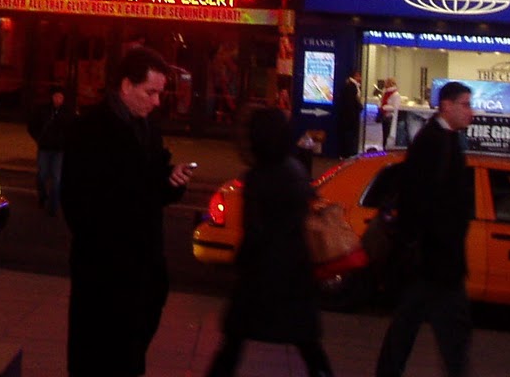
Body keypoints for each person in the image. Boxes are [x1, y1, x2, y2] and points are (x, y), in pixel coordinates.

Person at [61, 46, 195, 377]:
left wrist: (173, 181)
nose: (156, 101)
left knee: (131, 354)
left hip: (144, 267)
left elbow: (156, 184)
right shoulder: (91, 129)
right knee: (98, 355)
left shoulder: (148, 128)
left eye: (159, 93)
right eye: (150, 92)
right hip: (105, 268)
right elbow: (77, 201)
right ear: (125, 87)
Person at [205, 110, 334, 377]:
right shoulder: (295, 169)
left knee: (233, 342)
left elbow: (254, 231)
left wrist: (240, 262)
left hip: (261, 277)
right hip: (295, 275)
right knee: (307, 344)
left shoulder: (257, 177)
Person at [375, 81, 475, 377]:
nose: (472, 112)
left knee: (413, 325)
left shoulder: (443, 139)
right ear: (447, 105)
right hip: (435, 260)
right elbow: (421, 200)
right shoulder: (434, 143)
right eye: (466, 104)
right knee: (442, 330)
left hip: (435, 260)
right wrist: (442, 241)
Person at [27, 86, 74, 215]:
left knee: (57, 178)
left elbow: (72, 128)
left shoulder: (67, 112)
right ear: (52, 97)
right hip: (45, 148)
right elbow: (32, 125)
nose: (59, 99)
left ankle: (53, 206)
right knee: (42, 175)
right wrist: (39, 139)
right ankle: (43, 196)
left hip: (59, 149)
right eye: (57, 96)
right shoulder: (44, 110)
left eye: (61, 97)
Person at [335, 69, 363, 157]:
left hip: (347, 118)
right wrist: (359, 108)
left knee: (347, 136)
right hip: (350, 118)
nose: (361, 78)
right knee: (349, 137)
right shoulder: (352, 87)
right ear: (355, 76)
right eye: (359, 76)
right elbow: (351, 104)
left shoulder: (350, 86)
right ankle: (348, 154)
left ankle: (346, 153)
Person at [378, 78, 400, 150]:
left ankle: (387, 149)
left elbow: (395, 107)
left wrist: (384, 107)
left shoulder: (395, 94)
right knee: (384, 134)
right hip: (385, 116)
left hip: (390, 116)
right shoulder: (385, 93)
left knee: (387, 134)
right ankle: (384, 148)